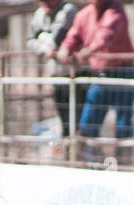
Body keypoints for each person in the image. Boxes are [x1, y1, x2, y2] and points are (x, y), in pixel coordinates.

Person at [58, 0, 134, 157]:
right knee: (88, 122)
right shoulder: (84, 15)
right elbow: (74, 35)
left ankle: (123, 164)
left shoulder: (115, 11)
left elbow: (107, 34)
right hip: (100, 74)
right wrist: (65, 48)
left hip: (122, 72)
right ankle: (90, 162)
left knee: (122, 124)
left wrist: (90, 50)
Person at [29, 0, 83, 138]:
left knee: (78, 119)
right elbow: (30, 41)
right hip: (57, 73)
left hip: (76, 73)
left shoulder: (68, 11)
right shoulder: (39, 15)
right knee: (64, 117)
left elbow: (57, 38)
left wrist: (41, 37)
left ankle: (79, 149)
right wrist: (44, 48)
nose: (45, 4)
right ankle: (69, 151)